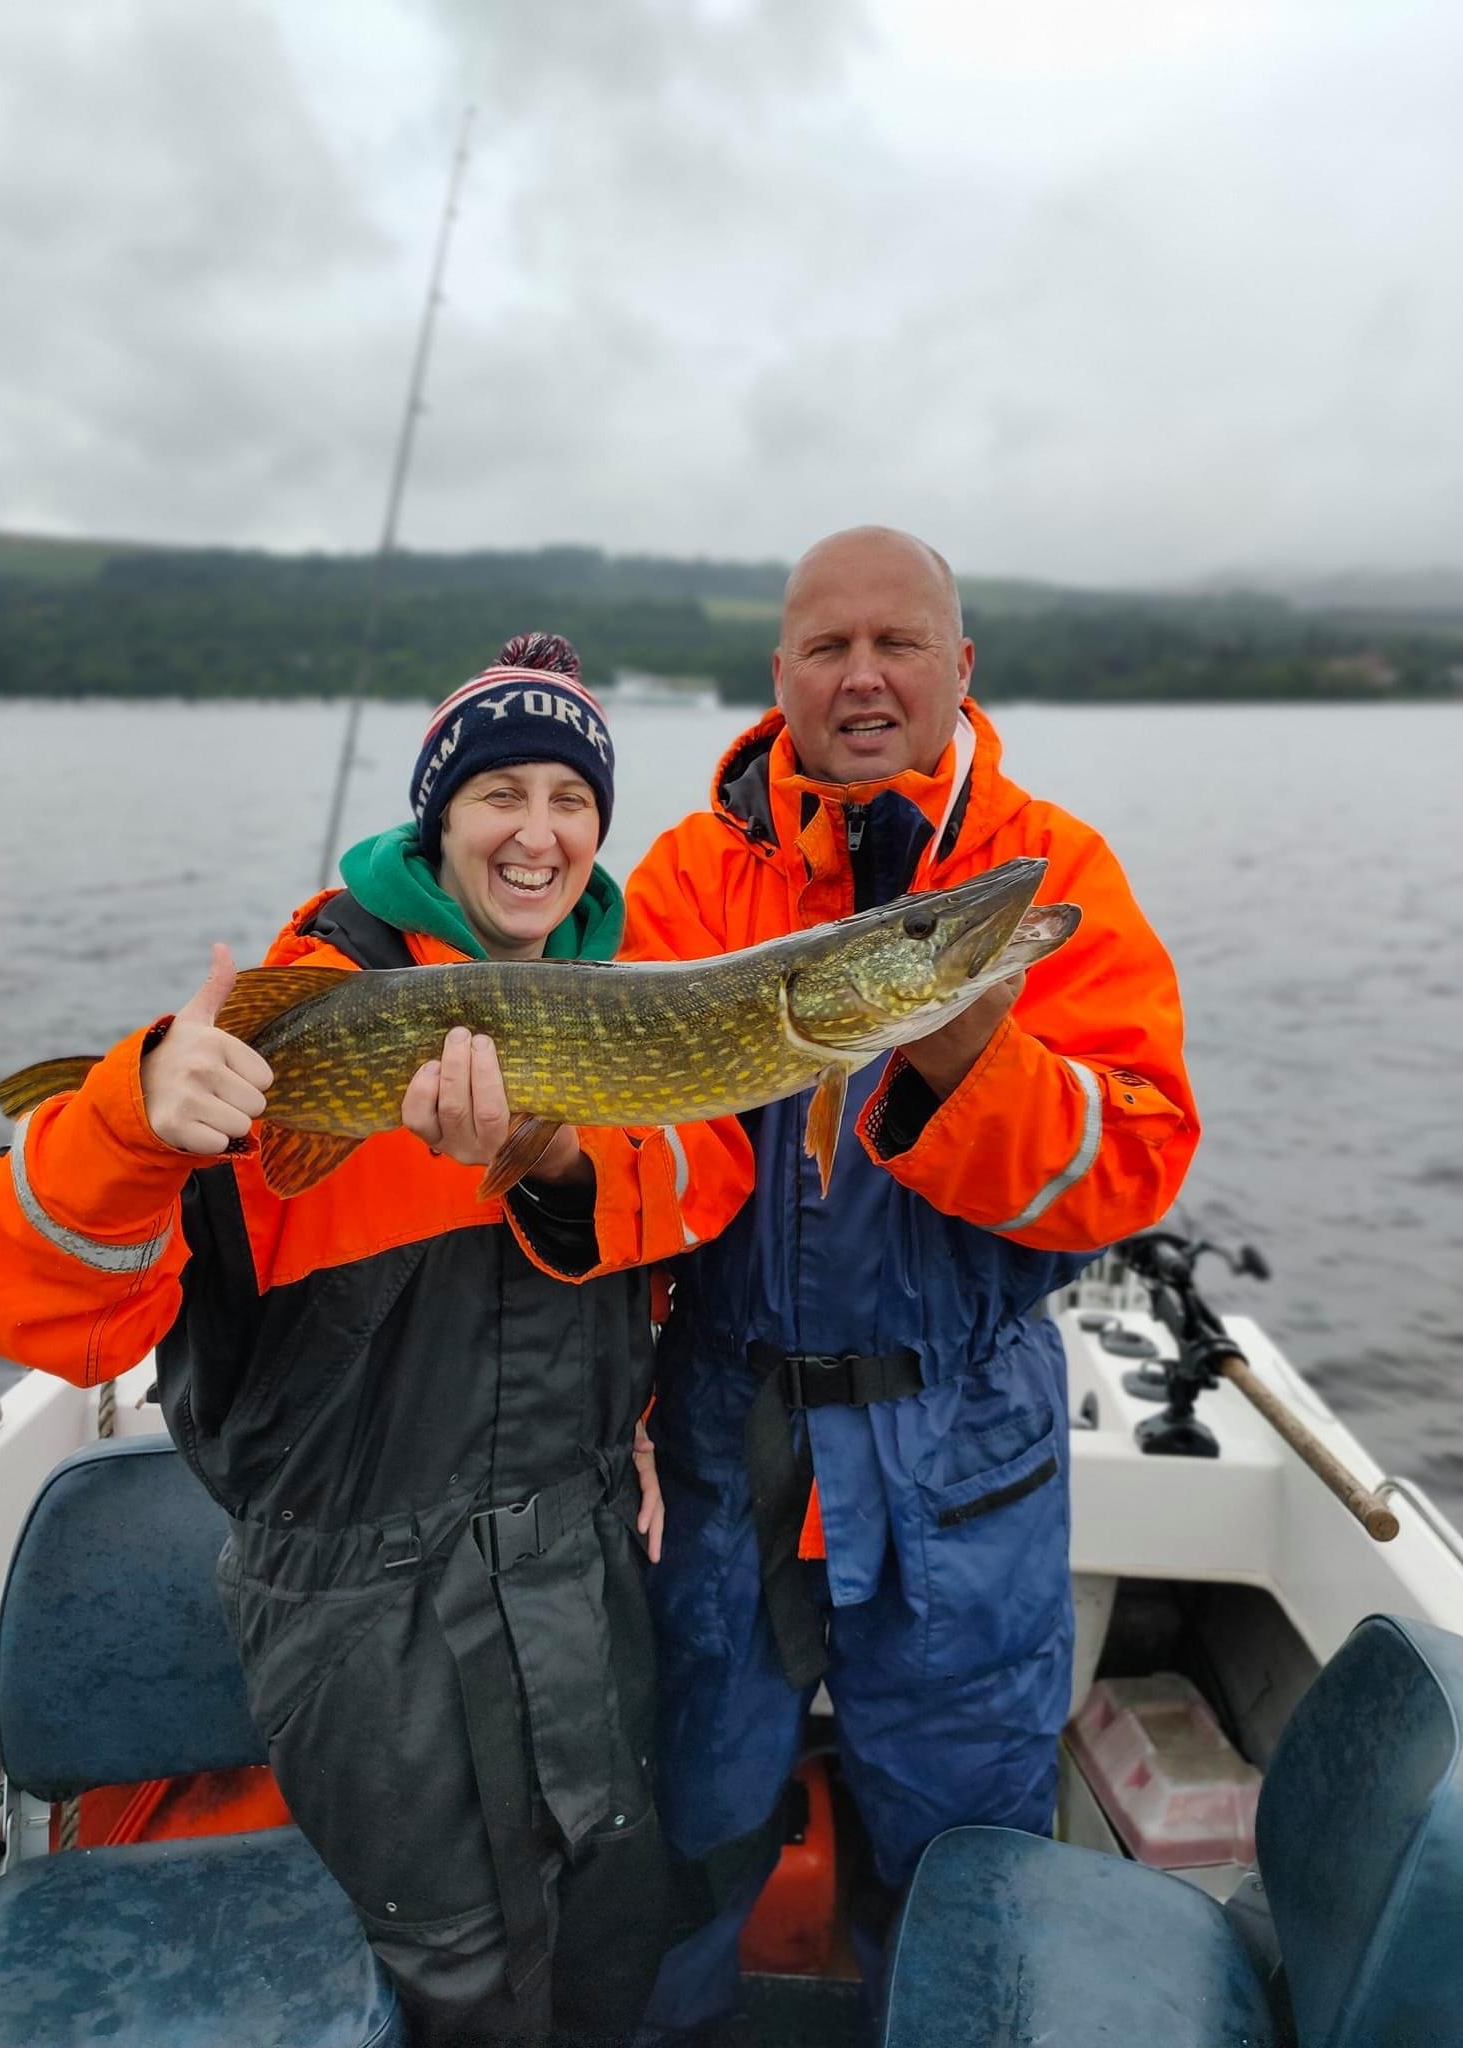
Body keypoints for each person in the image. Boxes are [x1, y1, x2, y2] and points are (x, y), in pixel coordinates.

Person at [0, 633, 751, 2046]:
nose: (539, 831)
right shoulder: (298, 1009)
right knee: (454, 1982)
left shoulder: (634, 1002)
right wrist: (128, 1119)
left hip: (586, 1585)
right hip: (365, 1621)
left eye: (573, 795)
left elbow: (706, 1175)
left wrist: (553, 1155)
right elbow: (32, 1312)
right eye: (501, 791)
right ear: (440, 814)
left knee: (611, 1936)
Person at [620, 527, 1200, 2032]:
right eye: (828, 647)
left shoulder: (1047, 876)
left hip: (962, 1450)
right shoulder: (690, 877)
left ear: (960, 667)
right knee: (687, 1827)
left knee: (962, 1863)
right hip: (726, 1431)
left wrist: (970, 1061)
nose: (863, 676)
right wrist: (551, 1162)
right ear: (781, 676)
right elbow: (655, 1172)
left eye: (898, 644)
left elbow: (1132, 1167)